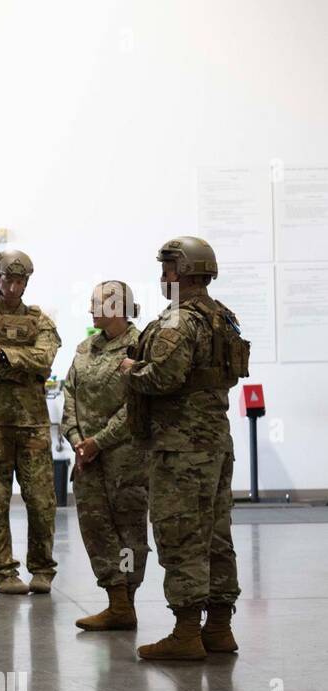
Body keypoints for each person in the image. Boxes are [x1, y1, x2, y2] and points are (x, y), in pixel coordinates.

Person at [122, 237, 246, 661]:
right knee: (215, 533)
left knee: (181, 535)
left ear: (184, 271)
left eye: (168, 268)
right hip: (215, 443)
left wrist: (131, 368)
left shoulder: (178, 322)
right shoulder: (223, 318)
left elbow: (163, 379)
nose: (163, 276)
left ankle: (187, 633)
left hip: (180, 449)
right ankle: (219, 628)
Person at [0, 249, 61, 594]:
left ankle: (42, 568)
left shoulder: (40, 319)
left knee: (41, 501)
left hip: (32, 422)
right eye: (9, 278)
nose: (15, 286)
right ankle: (4, 571)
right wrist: (27, 364)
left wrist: (4, 354)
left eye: (21, 280)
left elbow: (46, 358)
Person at [61, 280, 148, 630]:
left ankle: (127, 600)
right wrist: (77, 439)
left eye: (95, 303)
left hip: (124, 458)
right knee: (96, 527)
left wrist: (99, 441)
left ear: (115, 307)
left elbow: (136, 406)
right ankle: (115, 600)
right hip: (88, 459)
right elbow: (69, 393)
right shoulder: (85, 348)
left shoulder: (140, 346)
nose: (90, 309)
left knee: (128, 532)